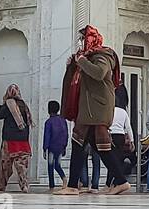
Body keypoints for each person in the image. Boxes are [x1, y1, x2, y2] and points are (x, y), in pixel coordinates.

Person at [56, 25, 130, 195]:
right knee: (92, 145)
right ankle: (120, 181)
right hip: (90, 108)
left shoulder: (103, 55)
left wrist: (81, 61)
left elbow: (99, 73)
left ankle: (75, 185)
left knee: (87, 144)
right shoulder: (90, 57)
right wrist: (73, 66)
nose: (82, 43)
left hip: (97, 108)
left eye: (84, 39)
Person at [0, 84, 33, 192]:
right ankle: (24, 185)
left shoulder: (8, 104)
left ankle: (0, 186)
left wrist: (2, 104)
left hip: (10, 140)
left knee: (5, 165)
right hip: (23, 140)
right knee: (22, 166)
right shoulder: (23, 105)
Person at [107, 90, 135, 187]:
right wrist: (132, 141)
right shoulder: (123, 112)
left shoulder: (108, 110)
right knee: (118, 159)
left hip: (110, 135)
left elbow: (106, 124)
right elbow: (128, 127)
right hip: (120, 136)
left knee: (111, 159)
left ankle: (109, 182)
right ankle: (116, 181)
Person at [43, 99, 69, 189]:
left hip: (52, 147)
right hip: (61, 146)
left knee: (50, 165)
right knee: (57, 165)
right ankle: (64, 178)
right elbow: (66, 134)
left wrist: (44, 148)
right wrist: (65, 146)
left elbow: (47, 136)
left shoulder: (48, 122)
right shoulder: (63, 121)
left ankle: (52, 185)